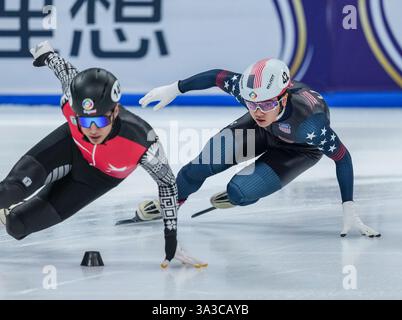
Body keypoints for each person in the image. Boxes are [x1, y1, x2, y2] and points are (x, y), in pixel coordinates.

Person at [0, 41, 207, 268]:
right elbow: (63, 69)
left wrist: (171, 240)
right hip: (68, 147)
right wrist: (47, 54)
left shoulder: (141, 139)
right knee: (10, 191)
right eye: (84, 120)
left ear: (115, 111)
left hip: (95, 180)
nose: (92, 130)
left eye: (99, 120)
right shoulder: (72, 97)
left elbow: (167, 184)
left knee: (17, 225)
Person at [136, 58, 380, 238]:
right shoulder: (251, 96)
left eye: (267, 104)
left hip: (298, 150)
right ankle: (174, 200)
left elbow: (343, 158)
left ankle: (238, 196)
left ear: (283, 98)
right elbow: (215, 76)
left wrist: (349, 206)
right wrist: (175, 88)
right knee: (202, 165)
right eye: (252, 104)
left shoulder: (309, 122)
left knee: (239, 192)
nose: (258, 111)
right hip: (261, 131)